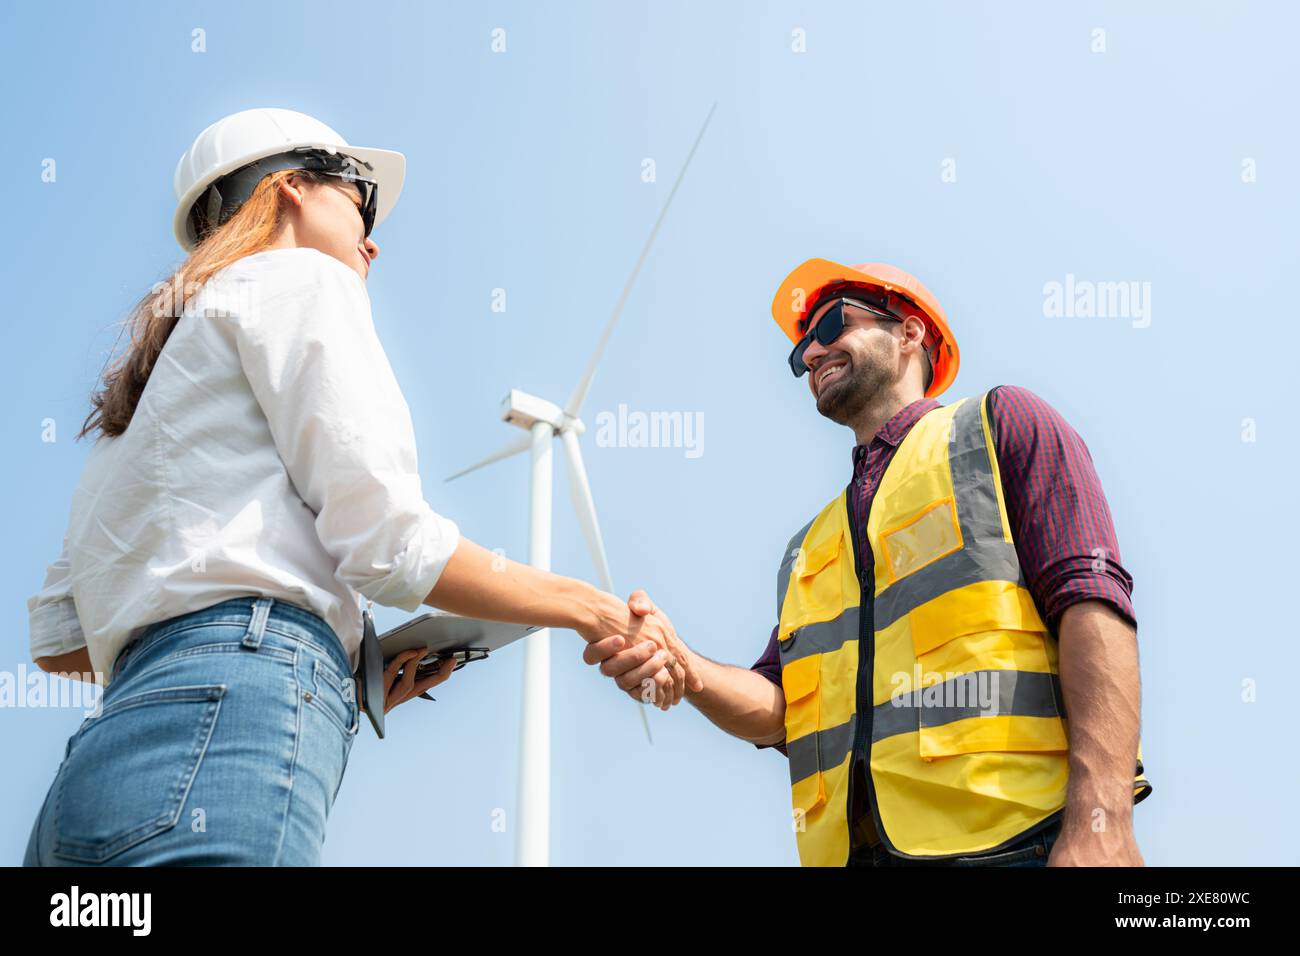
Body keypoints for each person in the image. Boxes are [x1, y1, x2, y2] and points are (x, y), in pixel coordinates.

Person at [23, 107, 695, 867]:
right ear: (290, 189)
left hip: (94, 769)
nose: (372, 237)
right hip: (229, 723)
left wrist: (335, 672)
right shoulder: (300, 277)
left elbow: (59, 644)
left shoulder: (139, 399)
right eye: (359, 197)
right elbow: (391, 546)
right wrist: (593, 607)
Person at [584, 258, 1153, 867]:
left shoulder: (998, 426)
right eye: (800, 349)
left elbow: (1090, 601)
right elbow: (779, 709)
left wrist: (1103, 820)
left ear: (910, 333)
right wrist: (685, 663)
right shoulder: (810, 546)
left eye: (831, 324)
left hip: (1013, 843)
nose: (810, 354)